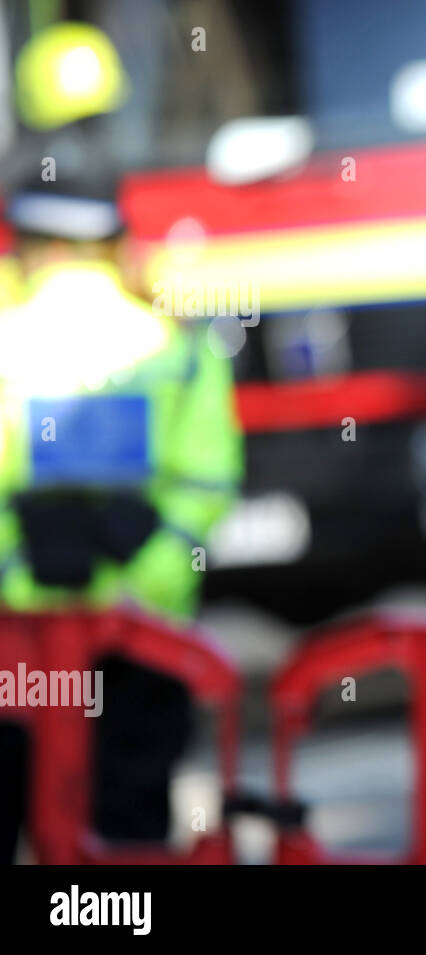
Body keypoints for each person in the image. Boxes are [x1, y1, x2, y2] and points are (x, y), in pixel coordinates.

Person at [0, 169, 243, 861]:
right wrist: (145, 578)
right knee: (124, 836)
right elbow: (208, 482)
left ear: (35, 245)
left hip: (18, 642)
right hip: (143, 637)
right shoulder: (181, 346)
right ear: (111, 243)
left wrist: (19, 567)